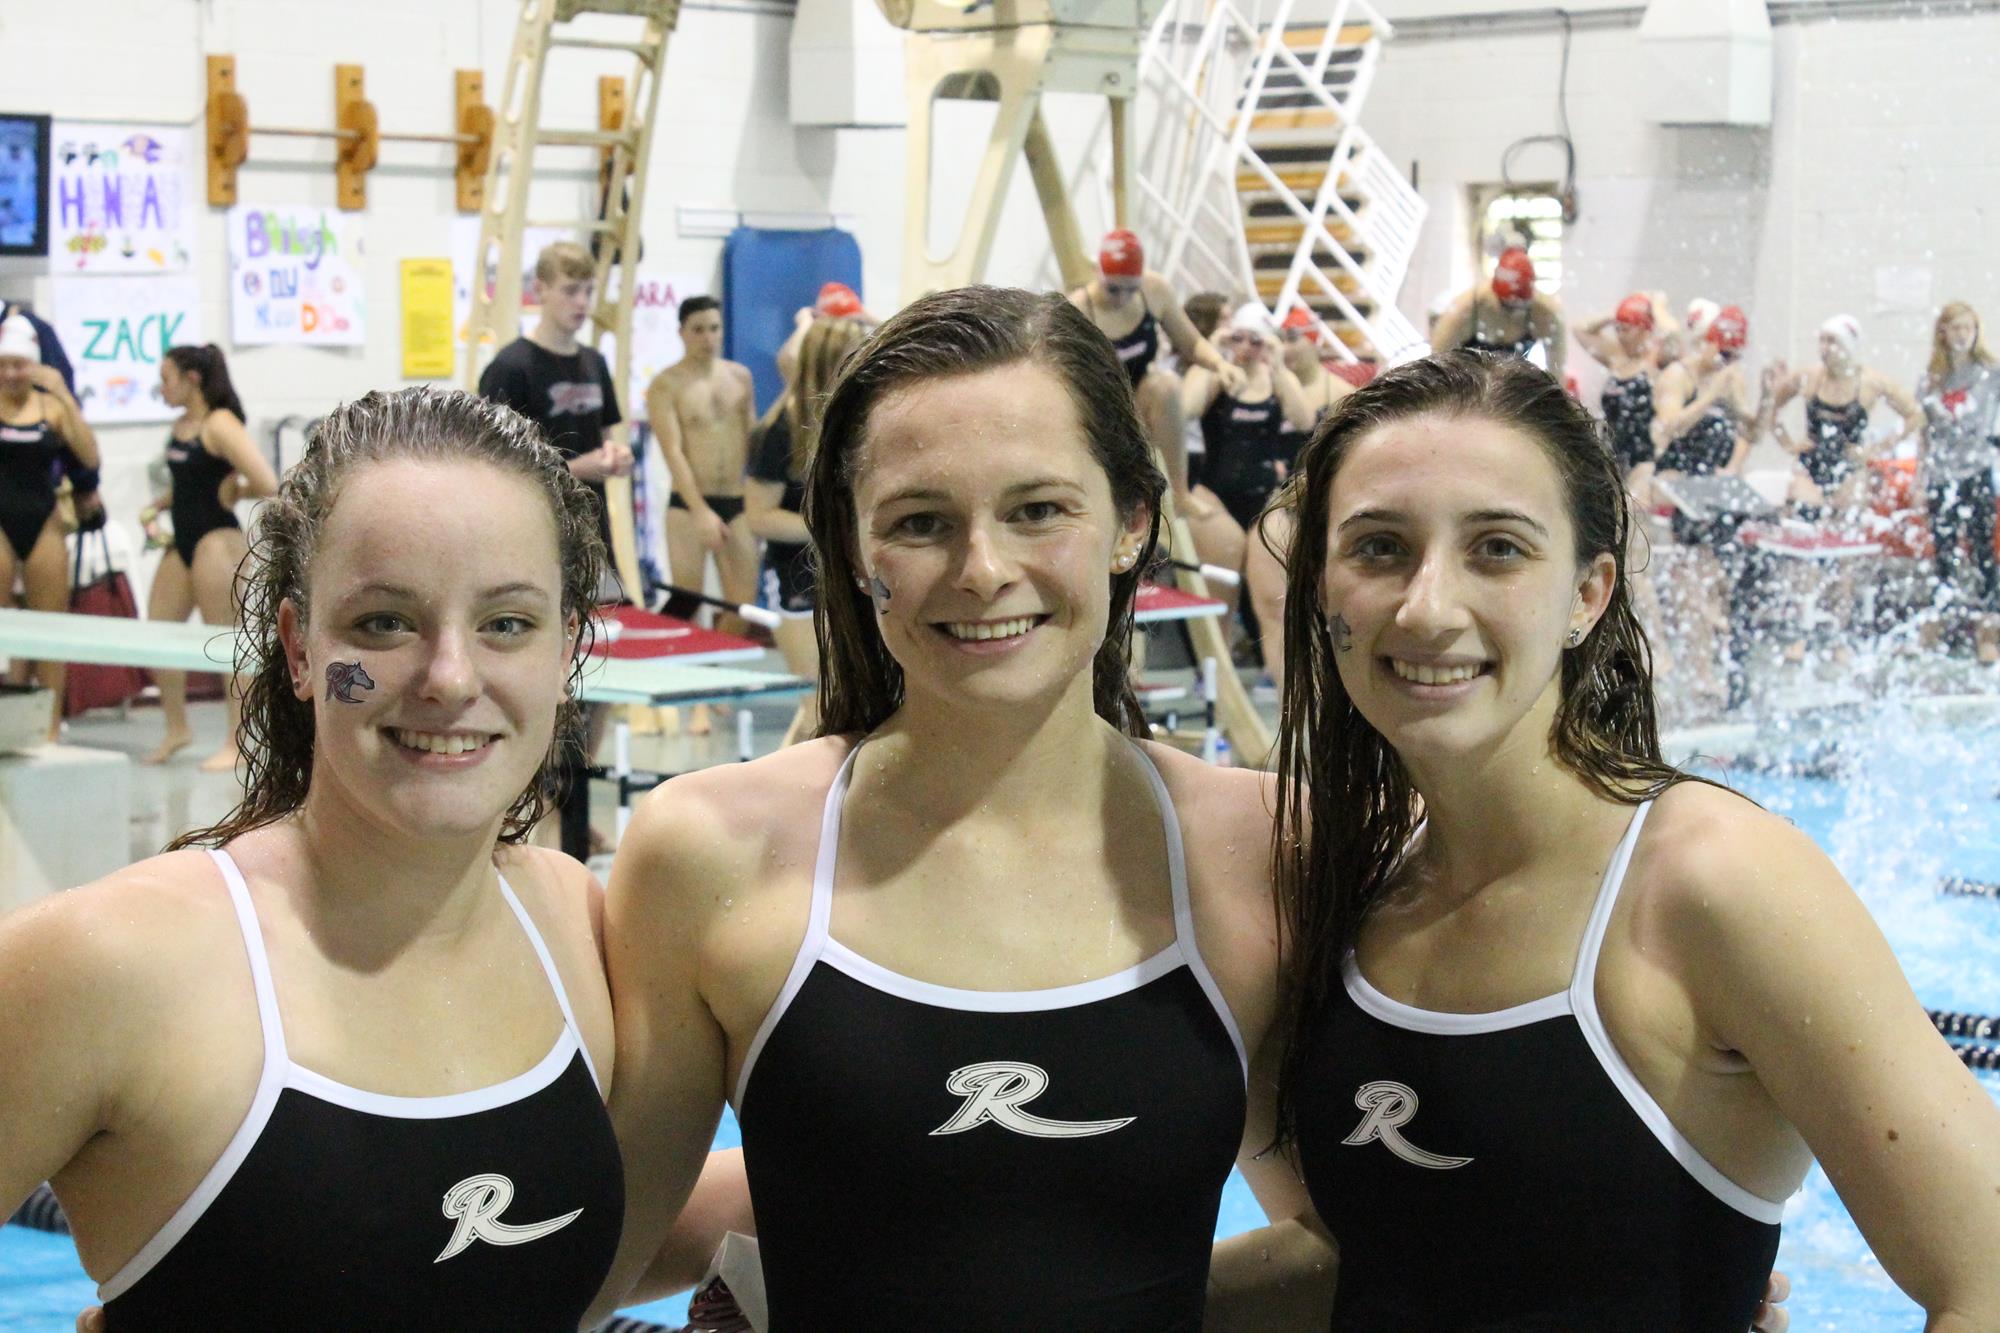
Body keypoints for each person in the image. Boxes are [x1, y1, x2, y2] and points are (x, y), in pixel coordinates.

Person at [591, 286, 1302, 1329]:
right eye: (921, 522)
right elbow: (596, 1257)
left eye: (1037, 509)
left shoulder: (1257, 848)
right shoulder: (709, 854)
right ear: (851, 545)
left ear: (1130, 521)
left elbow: (1364, 1238)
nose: (981, 570)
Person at [1264, 350, 2000, 1330]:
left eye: (1495, 548)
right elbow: (1373, 1265)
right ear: (1323, 589)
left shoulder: (1708, 882)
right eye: (1378, 548)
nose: (1425, 606)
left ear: (1586, 593)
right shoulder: (1357, 878)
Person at [0, 387, 628, 1327]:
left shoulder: (574, 923)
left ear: (566, 650)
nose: (450, 677)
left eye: (506, 623)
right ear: (298, 648)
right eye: (383, 622)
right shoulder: (112, 964)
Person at [477, 240, 633, 860]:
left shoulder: (594, 363)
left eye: (588, 292)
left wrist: (613, 457)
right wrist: (581, 465)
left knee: (604, 671)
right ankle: (530, 799)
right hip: (535, 538)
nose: (580, 304)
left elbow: (610, 431)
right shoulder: (513, 367)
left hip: (592, 536)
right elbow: (493, 463)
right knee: (550, 669)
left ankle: (568, 795)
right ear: (540, 290)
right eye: (570, 291)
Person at [143, 344, 281, 770]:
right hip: (181, 541)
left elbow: (267, 481)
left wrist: (237, 491)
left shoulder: (220, 423)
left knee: (226, 643)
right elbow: (191, 482)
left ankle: (238, 741)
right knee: (159, 636)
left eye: (166, 378)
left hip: (217, 542)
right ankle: (177, 728)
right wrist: (160, 505)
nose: (160, 387)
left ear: (192, 379)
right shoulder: (182, 424)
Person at [744, 315, 869, 746]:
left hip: (843, 573)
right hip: (795, 578)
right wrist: (826, 531)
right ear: (827, 364)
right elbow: (759, 516)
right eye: (852, 358)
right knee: (818, 704)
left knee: (837, 704)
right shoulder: (781, 429)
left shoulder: (852, 420)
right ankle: (781, 802)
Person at [1069, 229, 1244, 502]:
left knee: (1165, 384)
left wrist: (1220, 364)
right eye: (1113, 288)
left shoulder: (1155, 290)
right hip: (1099, 409)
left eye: (1131, 287)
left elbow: (1192, 343)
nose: (1123, 297)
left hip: (1141, 400)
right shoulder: (1079, 309)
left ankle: (1179, 495)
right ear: (1097, 273)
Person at [0, 313, 102, 740]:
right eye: (3, 364)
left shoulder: (53, 407)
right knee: (3, 626)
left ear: (35, 365)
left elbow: (90, 457)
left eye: (19, 365)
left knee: (50, 626)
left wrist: (62, 391)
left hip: (42, 519)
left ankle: (50, 728)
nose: (10, 373)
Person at [1649, 304, 1756, 711]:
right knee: (1693, 586)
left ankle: (1713, 664)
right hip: (1679, 485)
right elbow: (1669, 427)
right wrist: (1711, 393)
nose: (1727, 362)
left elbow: (1749, 432)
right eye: (1722, 352)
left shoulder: (1733, 377)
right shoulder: (1679, 375)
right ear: (1707, 341)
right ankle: (1699, 670)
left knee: (1717, 586)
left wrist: (1733, 465)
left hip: (1714, 488)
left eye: (1734, 355)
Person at [647, 295, 759, 626]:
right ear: (681, 332)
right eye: (698, 330)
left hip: (735, 500)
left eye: (714, 328)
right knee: (687, 600)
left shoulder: (740, 377)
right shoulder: (667, 384)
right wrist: (699, 511)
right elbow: (673, 451)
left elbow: (753, 438)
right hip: (688, 502)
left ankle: (718, 671)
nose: (707, 338)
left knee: (743, 606)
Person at [1914, 300, 2000, 661]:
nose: (1963, 335)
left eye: (1969, 328)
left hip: (1977, 470)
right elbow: (1924, 433)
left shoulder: (1991, 374)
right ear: (1943, 333)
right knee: (1944, 554)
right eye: (1956, 328)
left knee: (1983, 552)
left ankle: (1988, 632)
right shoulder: (1930, 381)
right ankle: (1939, 625)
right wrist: (1921, 477)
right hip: (1942, 474)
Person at [1429, 246, 1568, 373]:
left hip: (1510, 384)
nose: (1513, 314)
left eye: (1519, 306)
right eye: (1507, 306)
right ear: (1496, 295)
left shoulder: (1545, 312)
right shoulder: (1465, 309)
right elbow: (1437, 363)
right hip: (1469, 380)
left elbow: (1558, 367)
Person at [1579, 292, 1667, 480]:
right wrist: (1614, 316)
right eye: (1618, 328)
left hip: (1641, 459)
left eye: (1626, 329)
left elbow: (1674, 338)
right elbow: (1580, 329)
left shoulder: (1656, 362)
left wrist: (1657, 309)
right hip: (1609, 453)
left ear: (1644, 330)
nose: (1620, 335)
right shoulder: (1616, 357)